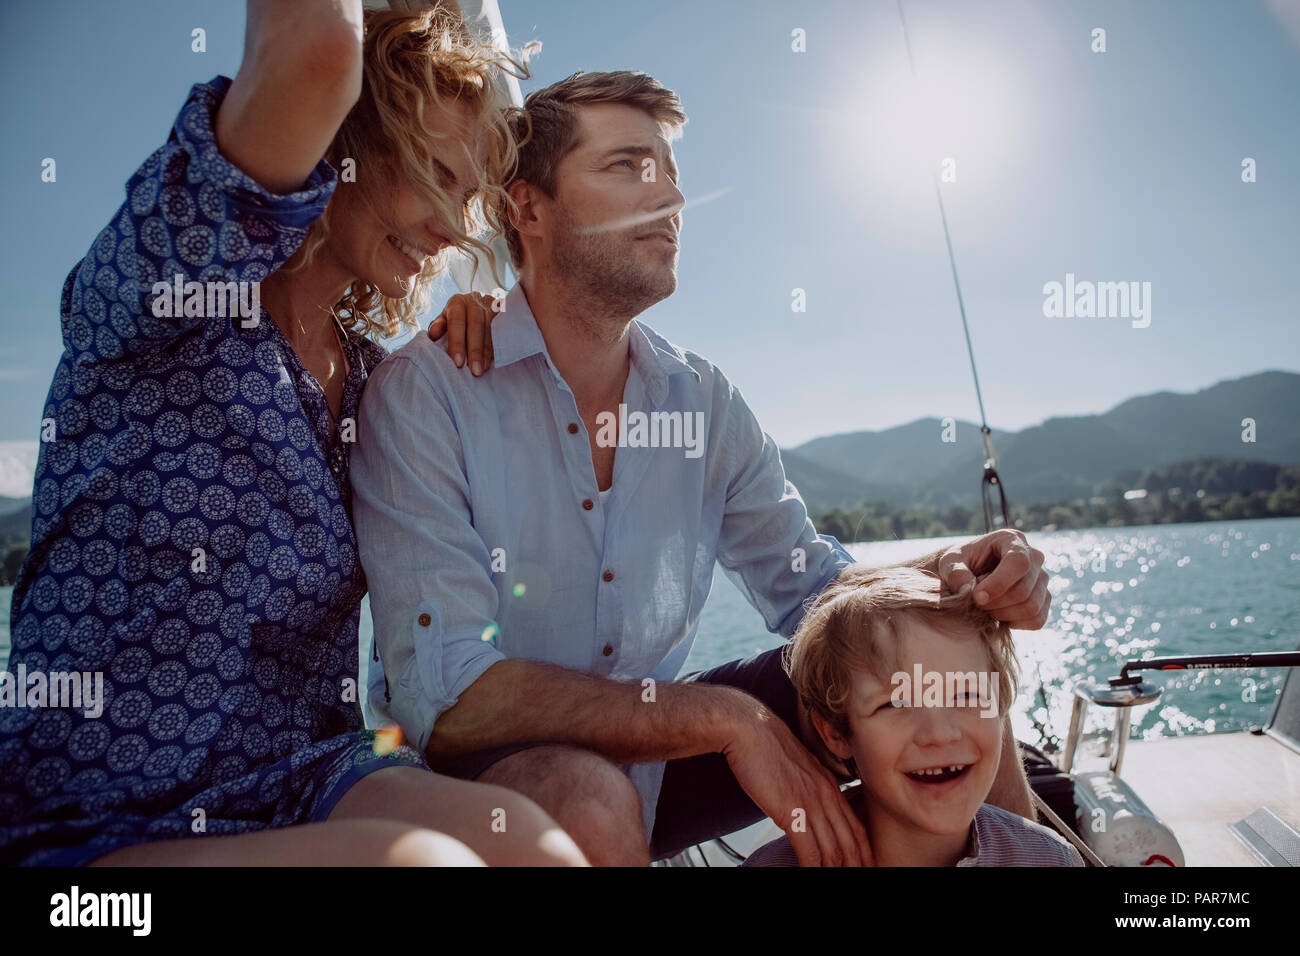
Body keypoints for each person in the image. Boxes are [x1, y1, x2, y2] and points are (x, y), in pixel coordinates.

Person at [353, 70, 1051, 867]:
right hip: (480, 781)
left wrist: (955, 573)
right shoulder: (427, 393)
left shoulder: (702, 401)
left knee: (939, 644)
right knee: (586, 797)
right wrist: (727, 719)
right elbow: (447, 698)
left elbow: (814, 591)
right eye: (627, 166)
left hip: (661, 762)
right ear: (528, 207)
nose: (673, 200)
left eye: (672, 176)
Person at [0, 1, 583, 867]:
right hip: (90, 819)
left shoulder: (383, 389)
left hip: (312, 774)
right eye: (431, 172)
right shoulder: (159, 305)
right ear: (338, 144)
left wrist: (487, 326)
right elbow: (312, 49)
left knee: (537, 848)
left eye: (466, 195)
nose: (452, 226)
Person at [741, 566, 1083, 866]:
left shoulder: (1052, 858)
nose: (940, 733)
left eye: (967, 695)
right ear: (837, 732)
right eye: (894, 704)